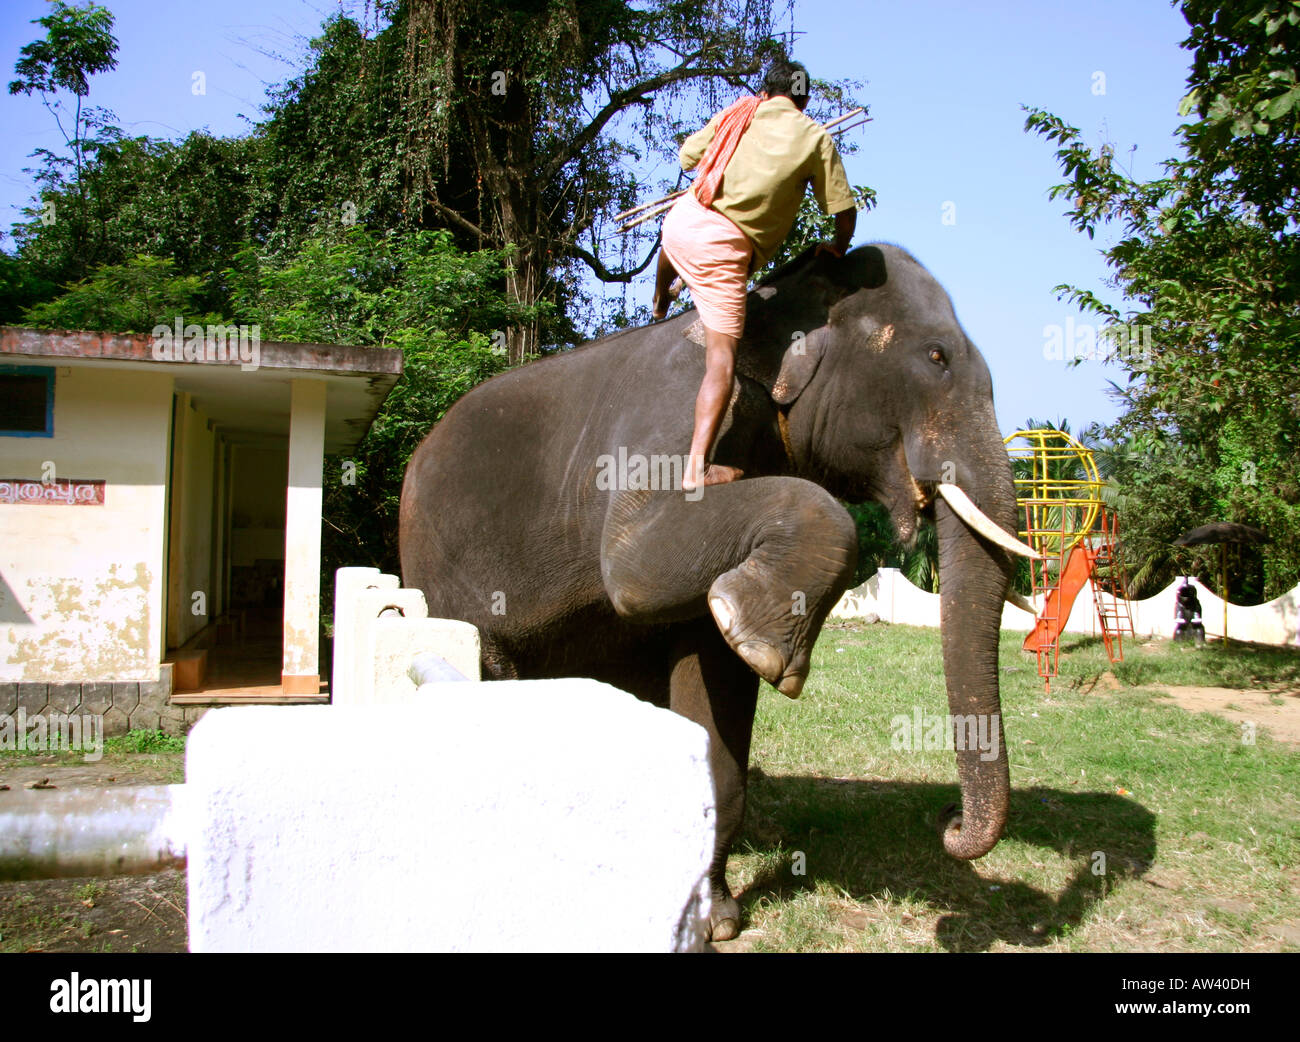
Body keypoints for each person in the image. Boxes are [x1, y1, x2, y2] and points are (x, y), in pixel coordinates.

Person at [652, 59, 858, 491]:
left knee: (677, 232)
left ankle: (662, 295)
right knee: (722, 361)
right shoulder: (815, 136)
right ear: (803, 99)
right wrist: (838, 246)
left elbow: (688, 155)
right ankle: (696, 468)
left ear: (767, 91)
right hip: (724, 252)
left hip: (682, 223)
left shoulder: (740, 111)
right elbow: (843, 208)